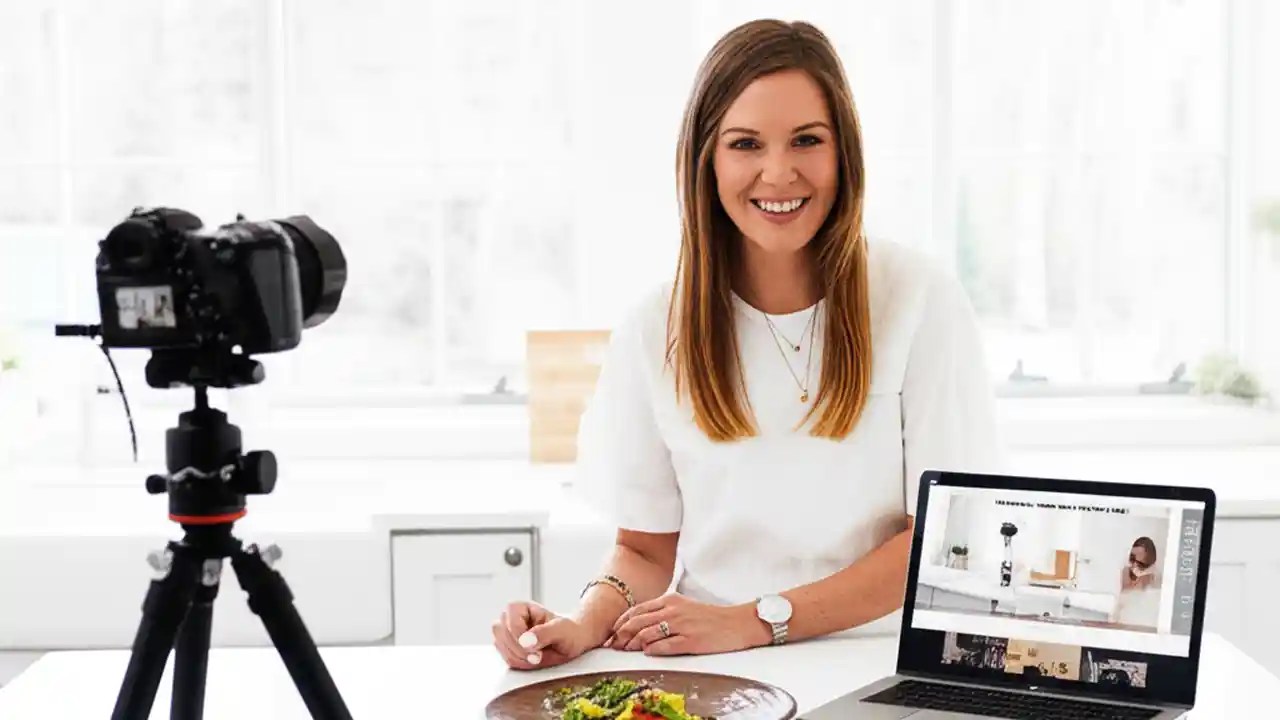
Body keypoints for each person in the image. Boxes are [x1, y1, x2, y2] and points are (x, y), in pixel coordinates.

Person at [490, 18, 1002, 670]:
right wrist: (584, 621)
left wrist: (757, 621)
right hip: (714, 667)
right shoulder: (656, 327)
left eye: (807, 140)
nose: (778, 172)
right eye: (746, 144)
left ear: (843, 153)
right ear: (708, 160)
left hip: (879, 664)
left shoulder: (919, 299)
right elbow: (644, 553)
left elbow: (940, 544)